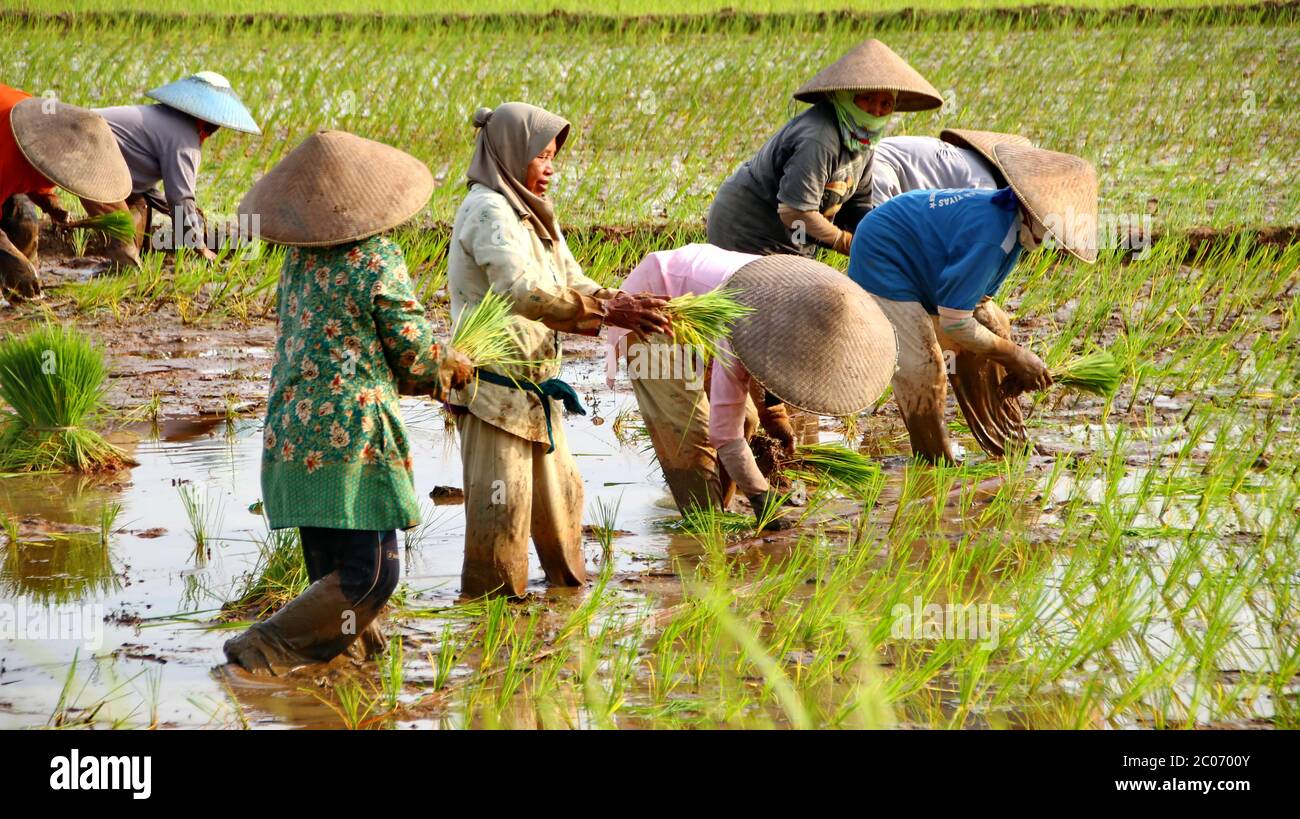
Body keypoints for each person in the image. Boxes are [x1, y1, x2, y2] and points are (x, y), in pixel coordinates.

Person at [222, 130, 472, 675]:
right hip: (350, 437)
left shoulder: (298, 258)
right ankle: (262, 647)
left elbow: (344, 341)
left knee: (332, 575)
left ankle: (346, 669)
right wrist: (450, 366)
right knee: (373, 575)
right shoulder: (377, 255)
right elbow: (413, 354)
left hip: (293, 432)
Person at [447, 102, 670, 599]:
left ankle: (566, 601)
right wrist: (608, 315)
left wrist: (624, 302)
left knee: (563, 502)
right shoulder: (487, 209)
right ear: (509, 153)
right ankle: (490, 619)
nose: (549, 168)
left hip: (537, 394)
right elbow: (521, 291)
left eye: (553, 157)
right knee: (500, 513)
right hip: (493, 392)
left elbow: (570, 279)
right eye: (540, 156)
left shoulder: (531, 213)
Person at [607, 248, 896, 531]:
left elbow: (772, 364)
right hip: (651, 307)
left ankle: (720, 508)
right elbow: (724, 434)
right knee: (689, 432)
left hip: (701, 306)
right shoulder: (742, 323)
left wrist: (774, 418)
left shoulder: (797, 310)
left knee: (747, 420)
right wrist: (762, 497)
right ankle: (703, 531)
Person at [847, 143, 1099, 463]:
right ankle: (933, 461)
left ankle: (1004, 439)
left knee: (996, 326)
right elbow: (955, 321)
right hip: (883, 261)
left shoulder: (1016, 227)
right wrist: (1016, 355)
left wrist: (1007, 356)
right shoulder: (992, 236)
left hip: (926, 268)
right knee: (926, 368)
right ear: (1031, 207)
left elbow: (977, 302)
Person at [706, 39, 942, 259]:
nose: (875, 110)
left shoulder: (863, 141)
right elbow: (794, 212)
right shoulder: (820, 138)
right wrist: (846, 242)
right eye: (866, 98)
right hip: (749, 237)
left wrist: (884, 239)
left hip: (793, 241)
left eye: (885, 104)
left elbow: (857, 207)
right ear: (845, 96)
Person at [93, 71, 261, 269]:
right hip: (87, 151)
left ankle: (132, 261)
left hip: (86, 144)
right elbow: (180, 199)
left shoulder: (163, 118)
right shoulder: (185, 139)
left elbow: (142, 185)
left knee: (140, 201)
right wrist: (200, 248)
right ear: (210, 126)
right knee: (126, 222)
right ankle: (125, 267)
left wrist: (176, 211)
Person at [0, 85, 131, 301]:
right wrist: (14, 264)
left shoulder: (40, 132)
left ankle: (23, 296)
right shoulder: (10, 153)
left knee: (25, 221)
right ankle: (20, 284)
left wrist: (53, 206)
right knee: (14, 265)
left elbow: (32, 170)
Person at [868, 129, 1031, 207]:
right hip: (878, 176)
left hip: (863, 160)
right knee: (878, 245)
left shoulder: (964, 160)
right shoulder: (984, 186)